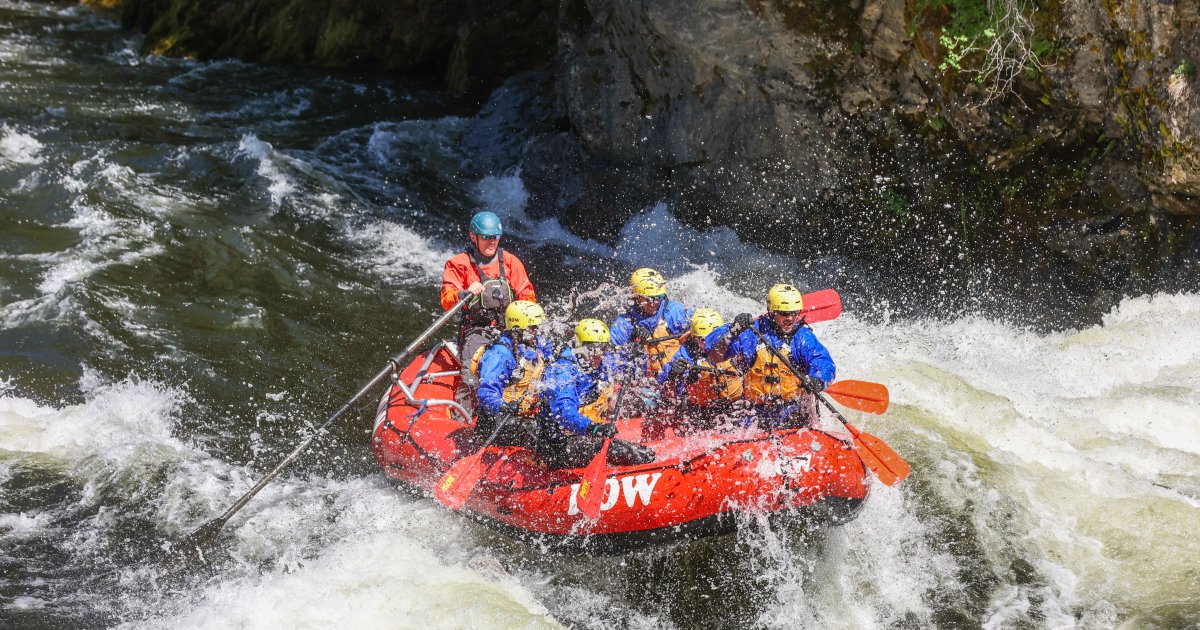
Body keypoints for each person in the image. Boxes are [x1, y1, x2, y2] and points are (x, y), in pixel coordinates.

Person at [705, 283, 835, 429]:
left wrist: (818, 379)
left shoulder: (803, 337)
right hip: (753, 414)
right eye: (785, 313)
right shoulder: (751, 332)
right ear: (771, 311)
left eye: (795, 313)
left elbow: (823, 362)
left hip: (793, 414)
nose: (791, 318)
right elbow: (713, 352)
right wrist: (733, 329)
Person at [538, 319, 655, 469]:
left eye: (603, 348)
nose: (598, 354)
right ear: (580, 346)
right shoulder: (562, 370)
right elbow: (563, 412)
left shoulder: (601, 361)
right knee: (631, 454)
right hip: (559, 445)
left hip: (585, 437)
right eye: (593, 348)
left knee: (645, 453)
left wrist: (637, 350)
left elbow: (631, 371)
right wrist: (593, 428)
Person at [440, 210, 536, 383]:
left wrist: (528, 325)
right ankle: (466, 404)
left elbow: (527, 296)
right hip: (476, 330)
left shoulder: (511, 262)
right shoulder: (458, 264)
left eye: (495, 236)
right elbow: (447, 300)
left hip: (509, 329)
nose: (492, 241)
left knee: (528, 367)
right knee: (471, 375)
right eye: (486, 237)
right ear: (473, 236)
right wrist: (465, 293)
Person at [472, 301, 554, 448]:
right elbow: (486, 392)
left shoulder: (535, 346)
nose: (537, 332)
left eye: (538, 327)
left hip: (524, 417)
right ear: (519, 328)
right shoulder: (500, 354)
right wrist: (503, 407)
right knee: (545, 442)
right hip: (498, 420)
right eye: (533, 328)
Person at [658, 308, 744, 430]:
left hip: (734, 407)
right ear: (693, 337)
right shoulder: (686, 353)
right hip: (700, 411)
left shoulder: (733, 346)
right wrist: (673, 372)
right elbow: (662, 381)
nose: (705, 344)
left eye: (711, 338)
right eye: (701, 339)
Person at [609, 268, 692, 377]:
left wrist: (681, 363)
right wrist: (633, 342)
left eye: (659, 297)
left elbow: (699, 339)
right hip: (645, 380)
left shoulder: (676, 313)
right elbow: (611, 360)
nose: (654, 302)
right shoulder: (625, 323)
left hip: (675, 373)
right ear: (636, 297)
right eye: (648, 299)